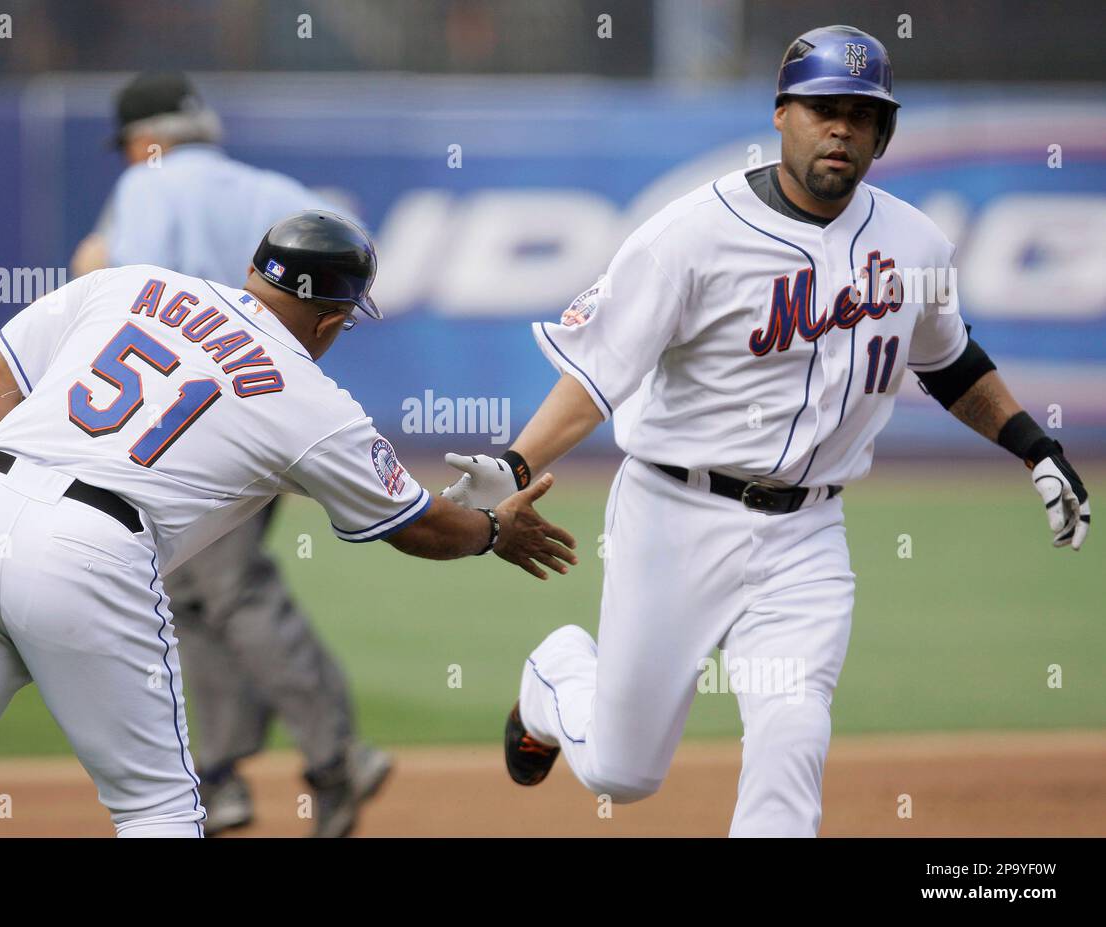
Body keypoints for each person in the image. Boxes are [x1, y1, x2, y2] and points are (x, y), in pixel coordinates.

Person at [440, 25, 1090, 837]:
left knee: (794, 730)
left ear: (884, 133)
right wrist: (516, 459)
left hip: (808, 534)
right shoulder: (690, 234)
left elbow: (950, 362)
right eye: (824, 109)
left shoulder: (914, 243)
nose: (842, 129)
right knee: (620, 769)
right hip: (675, 517)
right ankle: (555, 676)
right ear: (782, 114)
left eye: (862, 114)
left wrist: (1035, 445)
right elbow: (596, 376)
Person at [0, 211, 577, 838]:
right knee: (158, 808)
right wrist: (492, 529)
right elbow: (416, 522)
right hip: (89, 547)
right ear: (331, 320)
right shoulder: (308, 395)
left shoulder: (137, 281)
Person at [72, 71, 387, 837]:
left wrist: (91, 266)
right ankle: (220, 773)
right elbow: (350, 261)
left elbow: (130, 298)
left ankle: (337, 751)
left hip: (182, 430)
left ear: (145, 141)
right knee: (188, 593)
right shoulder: (274, 186)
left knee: (231, 589)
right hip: (266, 415)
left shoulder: (147, 187)